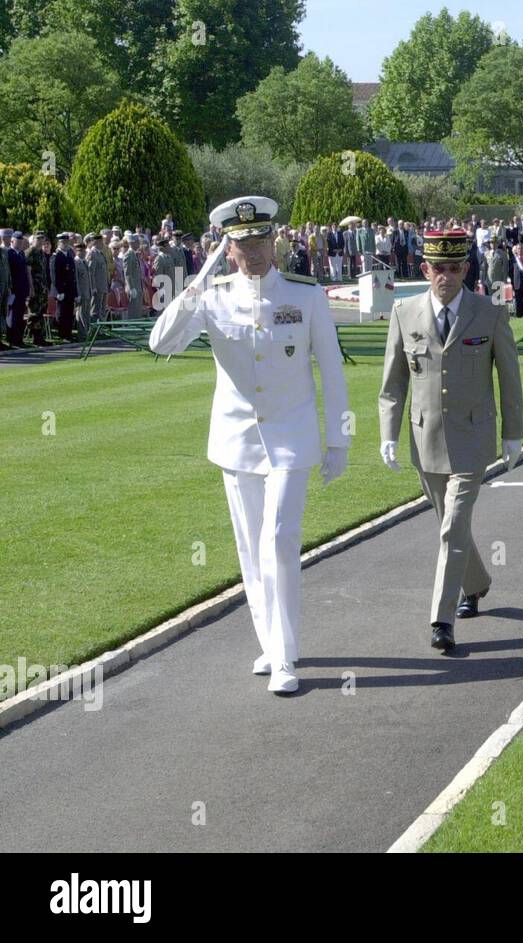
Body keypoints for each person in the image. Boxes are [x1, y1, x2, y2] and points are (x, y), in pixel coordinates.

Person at [149, 196, 351, 695]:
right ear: (227, 248)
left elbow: (332, 371)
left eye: (260, 239)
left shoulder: (305, 296)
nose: (254, 251)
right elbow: (161, 342)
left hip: (292, 437)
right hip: (238, 440)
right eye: (241, 243)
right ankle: (272, 643)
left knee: (280, 540)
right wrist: (196, 283)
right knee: (250, 545)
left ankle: (285, 656)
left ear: (275, 240)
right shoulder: (211, 295)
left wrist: (339, 440)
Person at [378, 229, 523, 653]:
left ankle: (442, 619)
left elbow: (509, 378)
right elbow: (392, 384)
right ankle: (476, 583)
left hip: (473, 437)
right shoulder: (404, 312)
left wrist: (513, 433)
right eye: (438, 268)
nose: (446, 275)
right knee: (449, 525)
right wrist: (388, 433)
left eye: (454, 267)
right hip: (425, 439)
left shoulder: (488, 313)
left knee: (452, 526)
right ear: (425, 269)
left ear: (466, 269)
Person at [73, 239, 92, 340]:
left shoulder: (84, 262)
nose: (83, 253)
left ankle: (86, 333)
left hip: (87, 292)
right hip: (81, 292)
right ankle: (82, 334)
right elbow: (76, 279)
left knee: (86, 314)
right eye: (81, 251)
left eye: (84, 251)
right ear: (77, 251)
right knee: (80, 314)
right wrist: (78, 294)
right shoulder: (76, 263)